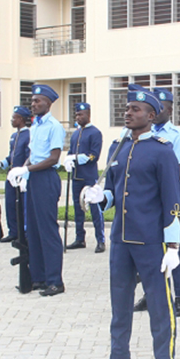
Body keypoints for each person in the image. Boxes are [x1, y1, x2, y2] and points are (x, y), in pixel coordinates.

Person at [84, 85, 180, 359]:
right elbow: (115, 192)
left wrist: (174, 245)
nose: (128, 112)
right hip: (122, 238)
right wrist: (101, 198)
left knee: (158, 304)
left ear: (151, 116)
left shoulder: (162, 150)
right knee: (120, 300)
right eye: (127, 108)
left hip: (150, 240)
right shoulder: (119, 146)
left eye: (135, 109)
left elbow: (172, 198)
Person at [131, 88, 180, 316]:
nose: (160, 110)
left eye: (164, 106)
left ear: (170, 109)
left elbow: (176, 171)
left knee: (175, 247)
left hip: (170, 197)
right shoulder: (142, 134)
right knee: (151, 248)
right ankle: (151, 293)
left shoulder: (177, 137)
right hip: (147, 201)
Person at [7, 84, 66, 296]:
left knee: (47, 231)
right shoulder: (36, 126)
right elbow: (33, 154)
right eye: (32, 101)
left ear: (48, 103)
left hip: (46, 179)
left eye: (37, 101)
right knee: (33, 230)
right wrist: (23, 171)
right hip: (33, 178)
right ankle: (39, 277)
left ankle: (55, 281)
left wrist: (27, 168)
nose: (33, 104)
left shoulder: (54, 126)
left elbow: (53, 158)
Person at [64, 102, 105, 253]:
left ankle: (100, 240)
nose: (78, 117)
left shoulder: (95, 133)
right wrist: (68, 159)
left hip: (89, 177)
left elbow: (94, 155)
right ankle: (79, 238)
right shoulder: (76, 133)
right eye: (76, 115)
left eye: (81, 114)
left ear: (88, 114)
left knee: (94, 208)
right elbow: (71, 151)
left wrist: (77, 158)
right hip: (76, 177)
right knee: (77, 209)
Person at [0, 106, 32, 243]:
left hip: (22, 176)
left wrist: (23, 172)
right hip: (11, 176)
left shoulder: (29, 135)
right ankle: (13, 231)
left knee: (22, 206)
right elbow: (11, 157)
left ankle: (24, 233)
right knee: (10, 204)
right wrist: (1, 163)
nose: (12, 120)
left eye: (14, 117)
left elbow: (29, 157)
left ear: (21, 119)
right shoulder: (14, 136)